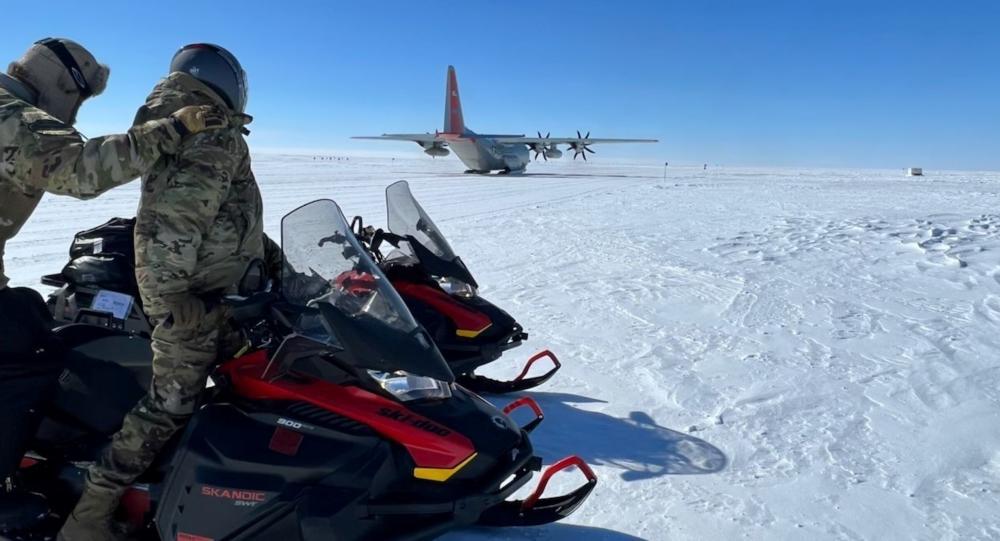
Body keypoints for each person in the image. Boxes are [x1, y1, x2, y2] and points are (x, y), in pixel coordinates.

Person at [0, 37, 228, 533]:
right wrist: (172, 129)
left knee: (27, 312)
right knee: (27, 351)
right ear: (64, 85)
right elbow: (79, 171)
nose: (74, 113)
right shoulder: (13, 115)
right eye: (79, 99)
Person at [59, 43, 265, 541]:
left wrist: (276, 263)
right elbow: (169, 226)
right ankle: (89, 515)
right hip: (195, 305)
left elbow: (233, 216)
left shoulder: (199, 128)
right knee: (169, 405)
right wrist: (172, 307)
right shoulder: (208, 133)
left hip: (221, 298)